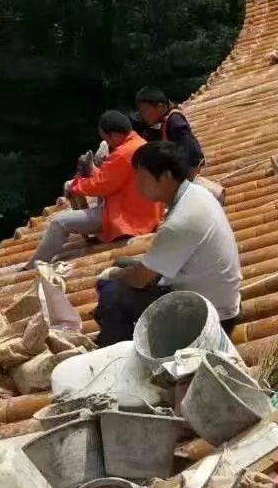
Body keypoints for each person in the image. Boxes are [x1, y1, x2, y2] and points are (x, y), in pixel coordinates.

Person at [94, 140, 242, 347]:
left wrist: (111, 276)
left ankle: (118, 351)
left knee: (112, 292)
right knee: (123, 263)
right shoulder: (196, 192)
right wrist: (120, 271)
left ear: (165, 177)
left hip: (209, 317)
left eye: (142, 178)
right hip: (218, 298)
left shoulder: (179, 222)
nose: (137, 185)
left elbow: (139, 280)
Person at [31, 111, 163, 264]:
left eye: (105, 138)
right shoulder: (139, 142)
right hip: (145, 212)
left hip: (129, 215)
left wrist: (74, 186)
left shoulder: (123, 153)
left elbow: (102, 186)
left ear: (112, 135)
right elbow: (114, 177)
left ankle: (35, 265)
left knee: (59, 222)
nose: (106, 141)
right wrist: (93, 170)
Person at [133, 87, 205, 176]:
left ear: (160, 106)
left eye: (145, 111)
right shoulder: (154, 126)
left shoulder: (175, 122)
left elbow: (195, 158)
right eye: (141, 112)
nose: (143, 115)